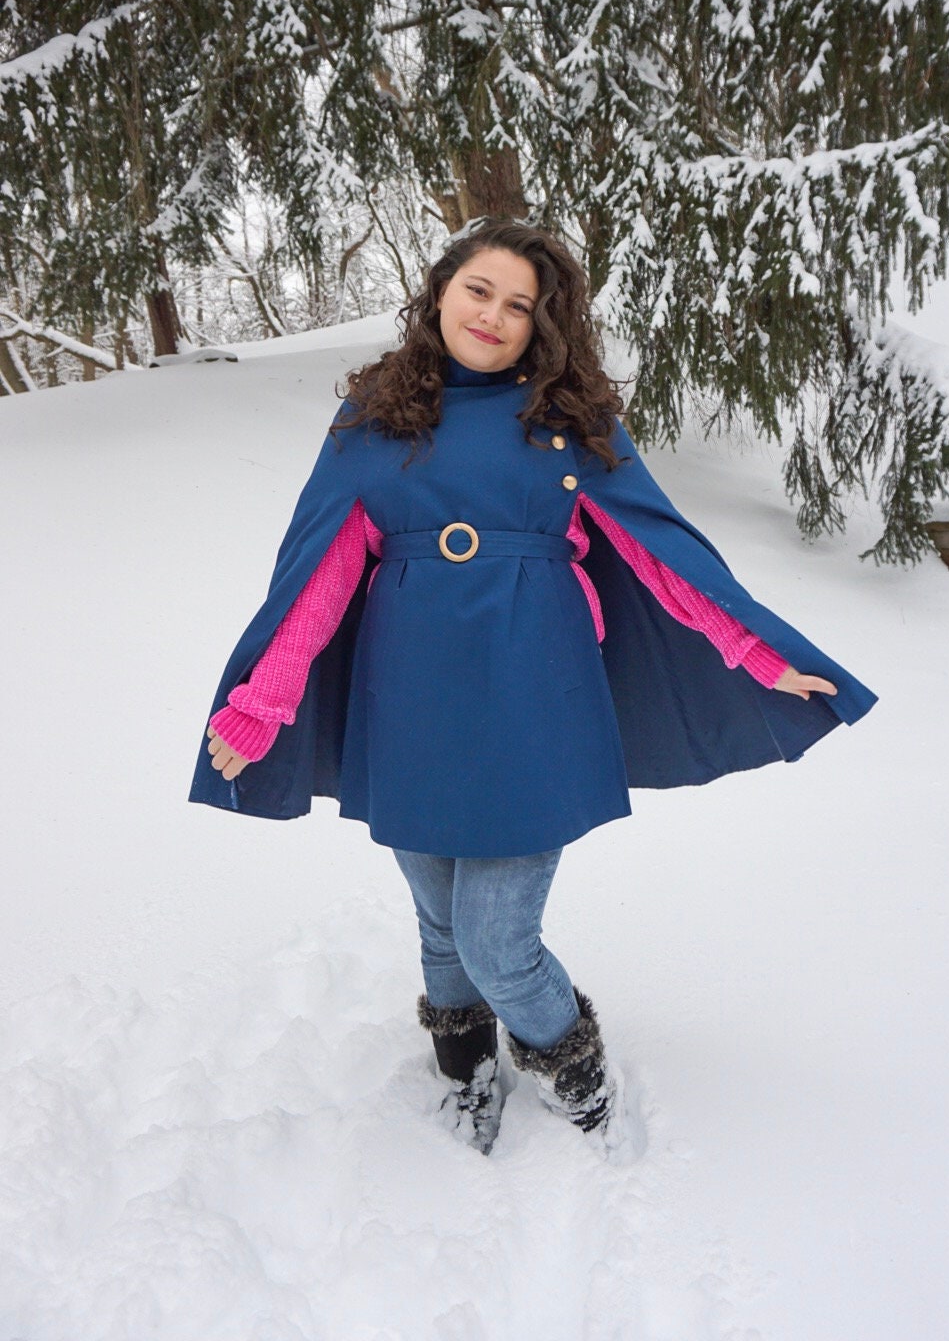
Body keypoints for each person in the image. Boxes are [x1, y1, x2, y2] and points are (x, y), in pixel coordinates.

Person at [190, 219, 877, 1161]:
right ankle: (464, 1067)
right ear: (440, 291)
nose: (494, 315)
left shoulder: (568, 423)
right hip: (411, 705)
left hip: (533, 701)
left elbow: (661, 553)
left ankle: (570, 1059)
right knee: (440, 922)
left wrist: (758, 655)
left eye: (520, 305)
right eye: (480, 289)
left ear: (541, 327)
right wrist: (261, 700)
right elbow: (319, 577)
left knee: (495, 939)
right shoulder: (371, 423)